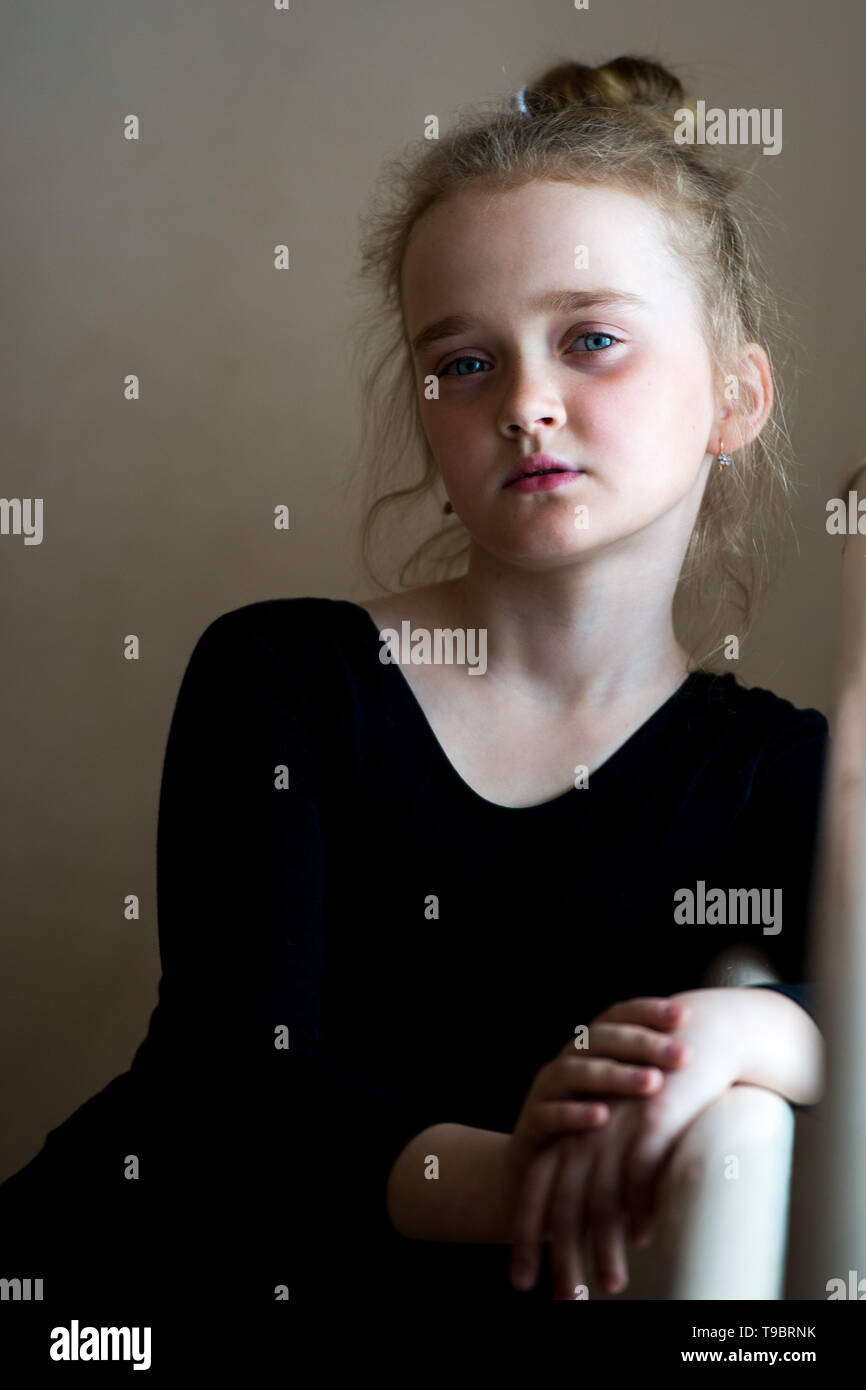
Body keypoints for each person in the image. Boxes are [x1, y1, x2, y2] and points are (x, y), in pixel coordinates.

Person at [0, 55, 828, 1312]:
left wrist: (758, 1028)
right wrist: (524, 1183)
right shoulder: (284, 679)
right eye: (465, 363)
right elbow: (231, 1086)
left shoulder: (776, 774)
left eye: (590, 340)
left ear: (733, 393)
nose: (526, 404)